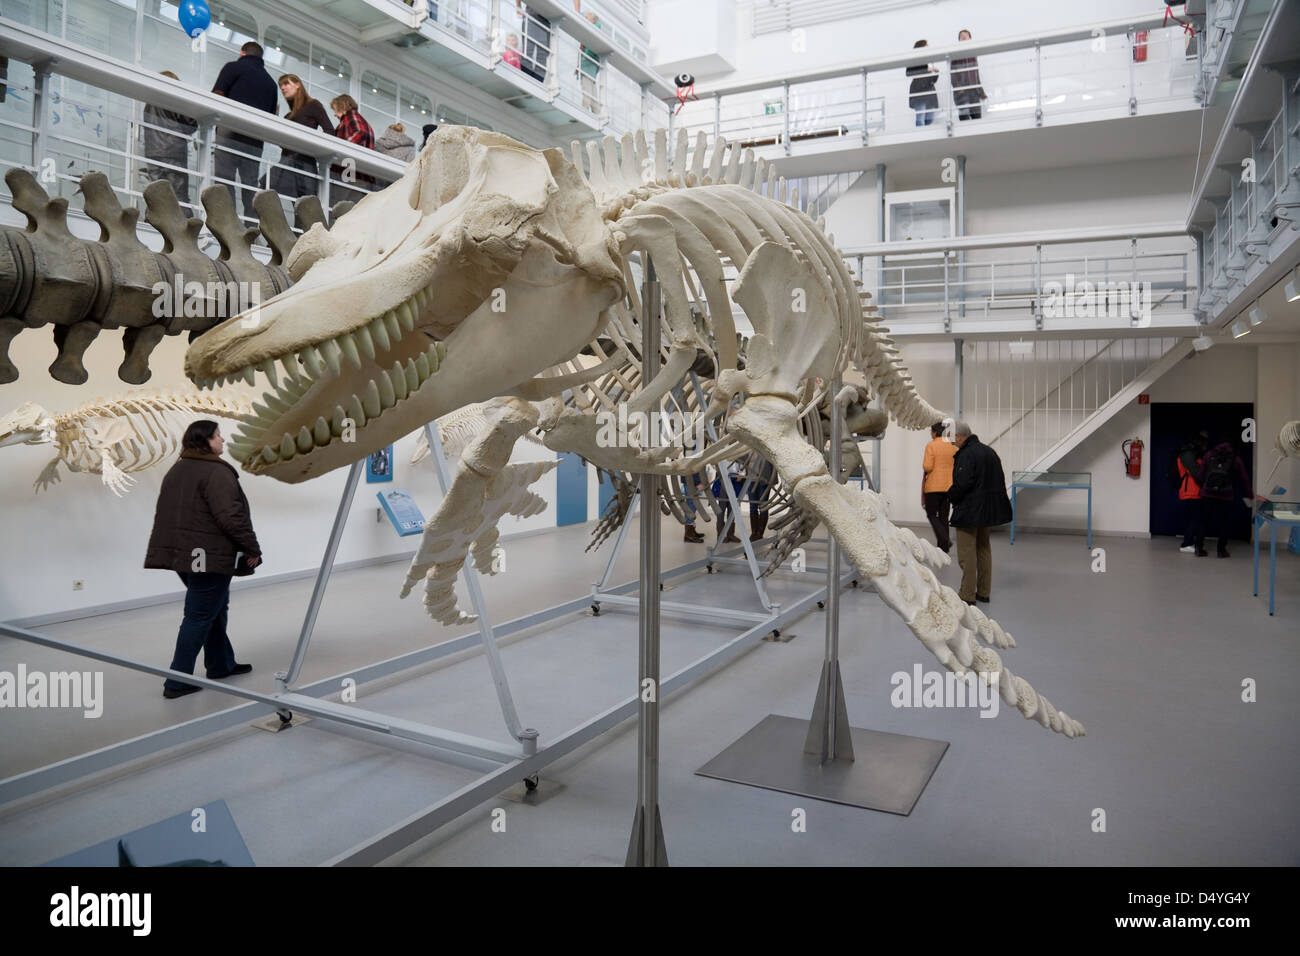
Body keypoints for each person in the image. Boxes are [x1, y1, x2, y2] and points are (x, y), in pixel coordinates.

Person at [144, 421, 261, 699]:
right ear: (206, 441)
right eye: (218, 436)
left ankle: (220, 664)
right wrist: (252, 548)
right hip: (208, 556)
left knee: (215, 610)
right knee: (198, 616)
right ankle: (176, 680)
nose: (223, 439)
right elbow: (231, 518)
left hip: (186, 556)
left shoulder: (178, 470)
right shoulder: (215, 472)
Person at [211, 42, 279, 220]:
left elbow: (217, 95)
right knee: (250, 183)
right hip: (255, 139)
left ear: (242, 53)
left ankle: (228, 221)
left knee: (224, 178)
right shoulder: (271, 84)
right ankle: (250, 224)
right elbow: (272, 115)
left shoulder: (233, 68)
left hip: (229, 131)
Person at [946, 421, 1012, 605]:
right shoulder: (989, 452)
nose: (951, 442)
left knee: (966, 553)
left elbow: (963, 483)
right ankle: (983, 592)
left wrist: (950, 496)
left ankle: (967, 594)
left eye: (952, 438)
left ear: (960, 436)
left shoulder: (967, 454)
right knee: (983, 549)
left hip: (970, 511)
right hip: (987, 511)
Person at [271, 74, 335, 199]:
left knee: (305, 205)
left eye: (286, 84)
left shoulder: (313, 105)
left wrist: (314, 149)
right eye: (280, 86)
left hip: (304, 162)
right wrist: (275, 119)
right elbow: (283, 144)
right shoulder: (288, 116)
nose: (282, 88)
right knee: (267, 187)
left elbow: (329, 131)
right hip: (288, 161)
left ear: (298, 84)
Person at [141, 71, 197, 205]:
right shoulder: (174, 99)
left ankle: (156, 221)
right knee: (179, 194)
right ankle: (183, 223)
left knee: (157, 192)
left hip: (153, 152)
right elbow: (189, 125)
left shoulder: (149, 103)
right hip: (174, 151)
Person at [1196, 437, 1254, 558]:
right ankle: (1221, 550)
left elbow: (1200, 475)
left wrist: (1204, 487)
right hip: (1226, 495)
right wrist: (1249, 494)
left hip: (1207, 494)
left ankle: (1199, 548)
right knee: (1224, 523)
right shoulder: (1235, 458)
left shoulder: (1208, 455)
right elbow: (1244, 478)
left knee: (1203, 521)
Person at [329, 94, 375, 204]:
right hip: (358, 175)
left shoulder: (351, 117)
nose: (334, 114)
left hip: (351, 175)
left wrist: (341, 149)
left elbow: (360, 132)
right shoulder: (355, 120)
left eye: (335, 109)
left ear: (342, 106)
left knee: (340, 208)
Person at [922, 420, 957, 553]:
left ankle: (945, 539)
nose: (930, 433)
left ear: (935, 432)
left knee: (931, 514)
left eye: (931, 431)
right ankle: (943, 547)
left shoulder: (931, 445)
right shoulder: (952, 446)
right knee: (943, 516)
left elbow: (927, 466)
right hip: (949, 487)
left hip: (933, 487)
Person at [1176, 432, 1207, 554]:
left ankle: (1190, 542)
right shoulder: (1187, 455)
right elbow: (1196, 474)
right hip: (1191, 492)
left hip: (1194, 492)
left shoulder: (1190, 455)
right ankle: (1186, 544)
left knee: (1195, 519)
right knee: (1196, 519)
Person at [951, 29, 989, 120]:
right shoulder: (955, 54)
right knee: (964, 118)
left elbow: (976, 74)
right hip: (962, 91)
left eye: (966, 35)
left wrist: (982, 92)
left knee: (977, 118)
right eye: (961, 36)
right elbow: (952, 73)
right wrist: (958, 88)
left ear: (970, 38)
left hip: (974, 91)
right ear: (959, 40)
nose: (963, 37)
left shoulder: (973, 55)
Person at [906, 40, 939, 127]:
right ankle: (921, 135)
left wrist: (936, 73)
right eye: (926, 45)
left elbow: (933, 80)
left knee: (930, 118)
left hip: (929, 93)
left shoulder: (930, 60)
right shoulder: (914, 59)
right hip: (919, 93)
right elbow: (908, 73)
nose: (928, 47)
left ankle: (926, 133)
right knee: (920, 117)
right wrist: (926, 69)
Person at [517, 1, 552, 83]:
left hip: (546, 19)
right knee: (528, 51)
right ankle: (526, 80)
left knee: (543, 54)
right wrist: (518, 7)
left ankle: (537, 82)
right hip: (531, 16)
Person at [577, 7, 603, 113]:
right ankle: (596, 111)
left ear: (592, 20)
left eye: (586, 18)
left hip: (587, 63)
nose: (585, 19)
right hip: (591, 64)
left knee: (586, 87)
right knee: (591, 87)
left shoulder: (592, 29)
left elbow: (585, 49)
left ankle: (584, 109)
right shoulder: (596, 30)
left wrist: (579, 64)